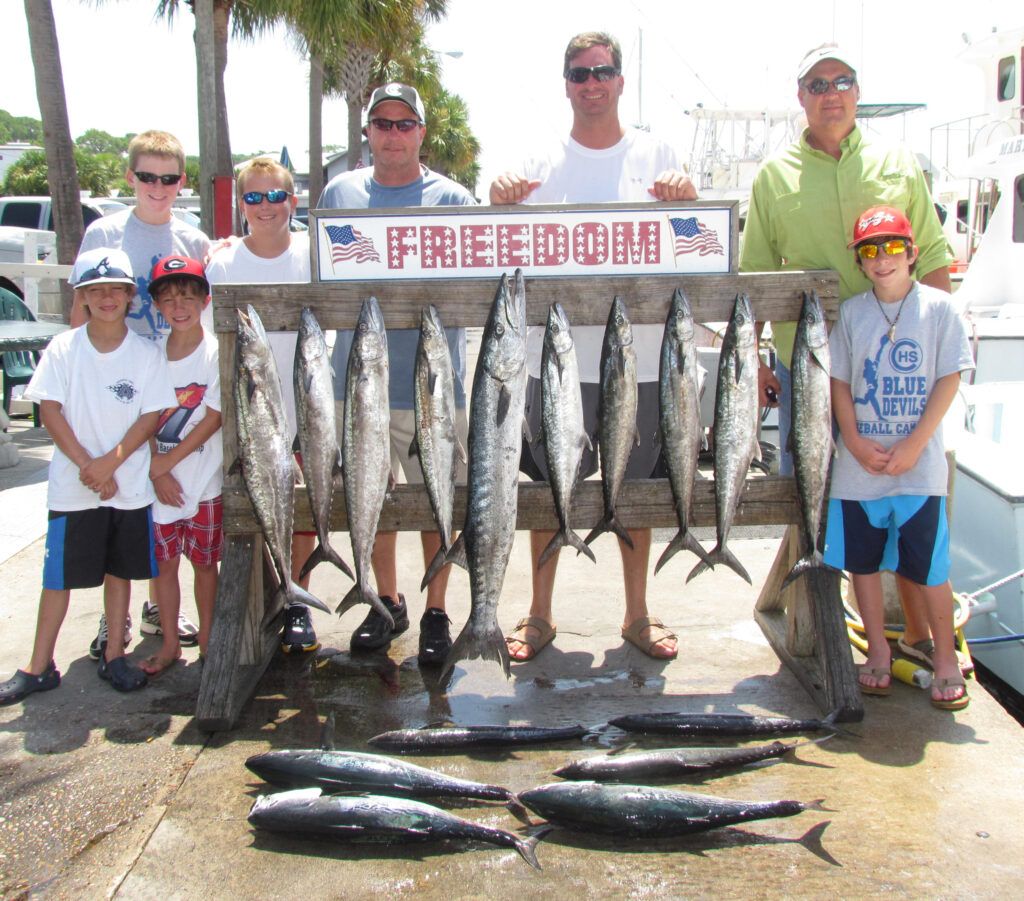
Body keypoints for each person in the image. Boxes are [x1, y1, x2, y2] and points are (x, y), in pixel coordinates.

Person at [739, 43, 957, 670]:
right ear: (800, 96)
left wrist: (943, 353)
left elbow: (935, 257)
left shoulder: (897, 161)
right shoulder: (771, 175)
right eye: (816, 83)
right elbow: (755, 275)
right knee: (813, 492)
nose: (830, 92)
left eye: (843, 81)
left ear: (858, 93)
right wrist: (753, 358)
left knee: (906, 492)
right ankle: (822, 634)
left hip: (897, 374)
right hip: (806, 370)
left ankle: (918, 637)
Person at [488, 31, 696, 661]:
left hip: (644, 357)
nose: (592, 82)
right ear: (567, 85)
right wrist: (498, 200)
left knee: (635, 488)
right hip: (555, 362)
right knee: (551, 485)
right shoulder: (537, 157)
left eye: (602, 71)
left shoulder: (659, 150)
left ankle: (636, 614)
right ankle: (539, 614)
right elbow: (496, 242)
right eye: (580, 74)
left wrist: (690, 196)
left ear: (621, 82)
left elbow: (697, 239)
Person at [318, 82, 476, 664]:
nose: (392, 133)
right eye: (382, 123)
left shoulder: (454, 200)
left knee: (440, 501)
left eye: (404, 123)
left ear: (421, 133)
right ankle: (385, 602)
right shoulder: (339, 193)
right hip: (358, 386)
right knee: (372, 498)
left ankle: (437, 609)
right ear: (368, 132)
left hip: (435, 387)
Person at [0, 248, 176, 705]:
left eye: (115, 290)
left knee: (120, 573)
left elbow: (150, 415)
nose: (106, 298)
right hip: (73, 486)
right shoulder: (63, 348)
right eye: (94, 291)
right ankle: (38, 666)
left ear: (130, 296)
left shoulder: (145, 353)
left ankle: (115, 654)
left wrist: (110, 464)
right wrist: (87, 465)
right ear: (81, 298)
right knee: (57, 578)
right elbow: (50, 409)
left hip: (128, 485)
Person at [824, 206, 972, 710]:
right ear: (861, 263)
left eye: (891, 248)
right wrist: (854, 440)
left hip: (919, 469)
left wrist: (914, 444)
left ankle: (946, 659)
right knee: (862, 566)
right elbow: (839, 382)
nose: (882, 259)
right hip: (858, 471)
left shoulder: (940, 309)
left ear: (912, 254)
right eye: (870, 251)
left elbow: (950, 377)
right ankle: (879, 652)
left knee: (930, 568)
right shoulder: (851, 313)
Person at [77, 129, 210, 656]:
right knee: (121, 503)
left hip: (174, 388)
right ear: (131, 177)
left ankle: (160, 611)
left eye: (170, 177)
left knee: (159, 504)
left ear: (182, 181)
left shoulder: (194, 239)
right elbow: (79, 310)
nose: (159, 186)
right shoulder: (103, 234)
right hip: (117, 386)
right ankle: (117, 620)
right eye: (148, 176)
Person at [205, 157, 319, 654]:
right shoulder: (223, 263)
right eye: (253, 197)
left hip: (307, 411)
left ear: (292, 201)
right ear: (240, 205)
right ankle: (269, 599)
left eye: (276, 196)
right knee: (255, 507)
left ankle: (295, 599)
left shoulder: (315, 253)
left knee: (304, 514)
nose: (266, 206)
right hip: (251, 414)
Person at [144, 255, 223, 673]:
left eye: (189, 296)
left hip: (203, 481)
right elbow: (138, 419)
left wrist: (166, 463)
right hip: (159, 486)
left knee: (205, 565)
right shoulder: (149, 356)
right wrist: (157, 468)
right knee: (165, 566)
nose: (179, 306)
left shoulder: (214, 352)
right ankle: (171, 641)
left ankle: (208, 638)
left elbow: (214, 416)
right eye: (169, 298)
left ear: (205, 300)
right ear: (156, 305)